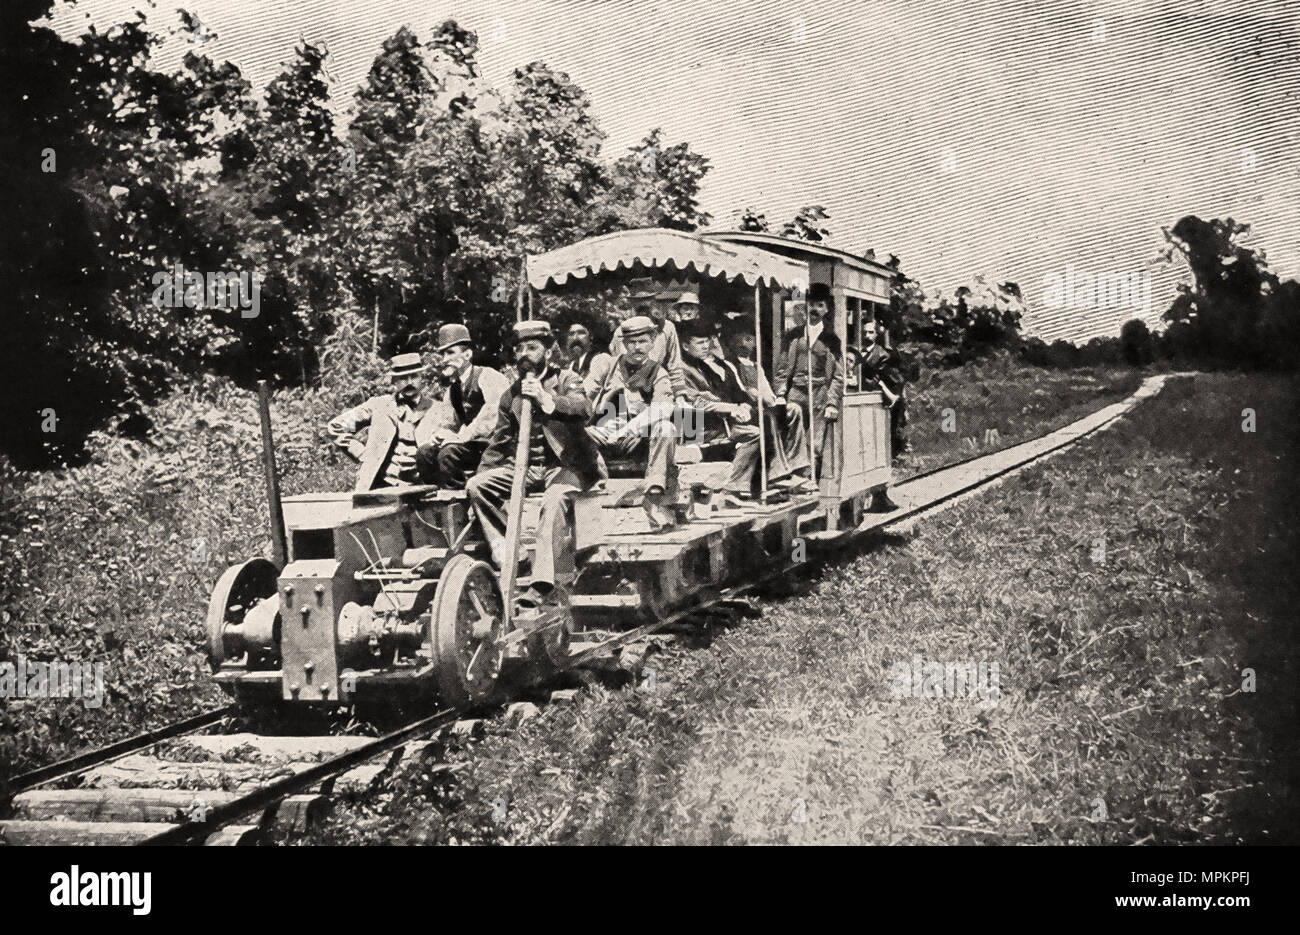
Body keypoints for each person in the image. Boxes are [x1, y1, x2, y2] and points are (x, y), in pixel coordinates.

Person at [466, 321, 604, 612]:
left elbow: (583, 409)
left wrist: (546, 399)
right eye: (519, 349)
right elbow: (498, 445)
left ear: (549, 351)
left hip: (567, 466)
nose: (524, 354)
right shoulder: (510, 395)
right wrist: (480, 478)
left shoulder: (567, 379)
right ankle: (510, 553)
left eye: (532, 348)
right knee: (477, 486)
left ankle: (542, 583)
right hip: (527, 469)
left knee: (554, 502)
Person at [680, 319, 797, 499]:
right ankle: (740, 484)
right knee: (757, 429)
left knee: (763, 424)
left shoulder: (704, 365)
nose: (706, 346)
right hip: (695, 425)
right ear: (686, 346)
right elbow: (695, 402)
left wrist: (741, 405)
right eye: (700, 343)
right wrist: (731, 408)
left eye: (707, 342)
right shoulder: (683, 370)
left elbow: (729, 393)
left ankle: (747, 482)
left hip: (716, 420)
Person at [588, 315, 681, 530]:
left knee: (667, 428)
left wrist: (633, 429)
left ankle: (654, 494)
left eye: (642, 341)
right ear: (624, 343)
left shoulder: (659, 373)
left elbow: (663, 408)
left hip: (639, 443)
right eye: (631, 342)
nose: (637, 347)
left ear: (652, 342)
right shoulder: (607, 366)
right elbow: (582, 400)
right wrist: (586, 428)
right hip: (601, 438)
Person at [327, 353, 445, 491]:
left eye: (414, 376)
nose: (409, 382)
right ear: (394, 381)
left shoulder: (438, 409)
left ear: (421, 378)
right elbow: (336, 426)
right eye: (402, 378)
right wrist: (361, 453)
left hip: (423, 488)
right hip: (381, 485)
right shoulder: (379, 405)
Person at [411, 323, 509, 489]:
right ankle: (435, 498)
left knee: (448, 453)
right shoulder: (453, 390)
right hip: (471, 446)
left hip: (495, 446)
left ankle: (458, 500)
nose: (444, 359)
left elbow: (493, 413)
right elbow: (449, 422)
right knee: (425, 453)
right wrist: (438, 435)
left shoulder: (488, 376)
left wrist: (461, 437)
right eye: (443, 354)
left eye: (450, 353)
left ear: (467, 354)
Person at [721, 317, 813, 492]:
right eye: (739, 339)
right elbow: (739, 392)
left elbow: (767, 393)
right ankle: (777, 473)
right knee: (770, 416)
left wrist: (775, 399)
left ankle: (797, 465)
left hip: (760, 406)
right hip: (742, 411)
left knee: (793, 409)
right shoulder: (730, 364)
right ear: (732, 342)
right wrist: (752, 393)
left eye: (748, 339)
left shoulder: (757, 366)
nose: (743, 343)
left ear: (755, 342)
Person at [774, 283, 844, 467]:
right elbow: (782, 368)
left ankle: (810, 485)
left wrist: (832, 402)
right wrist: (781, 394)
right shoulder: (793, 336)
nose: (814, 309)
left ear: (827, 309)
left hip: (819, 393)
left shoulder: (831, 339)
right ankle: (792, 481)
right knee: (791, 436)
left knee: (815, 442)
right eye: (811, 304)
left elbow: (838, 374)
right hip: (796, 391)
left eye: (820, 305)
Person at [609, 278, 686, 400]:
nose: (642, 305)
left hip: (661, 386)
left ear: (653, 301)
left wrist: (680, 396)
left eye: (647, 300)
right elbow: (621, 367)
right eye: (638, 301)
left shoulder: (667, 327)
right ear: (632, 303)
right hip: (630, 391)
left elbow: (675, 366)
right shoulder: (622, 332)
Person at [861, 320, 909, 456]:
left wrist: (861, 379)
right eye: (864, 332)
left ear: (877, 335)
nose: (867, 335)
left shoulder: (883, 355)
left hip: (877, 396)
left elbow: (876, 378)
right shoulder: (857, 351)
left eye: (871, 332)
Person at [563, 322, 613, 399]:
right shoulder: (570, 366)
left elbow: (589, 391)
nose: (575, 338)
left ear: (591, 336)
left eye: (581, 333)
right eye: (571, 334)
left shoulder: (601, 359)